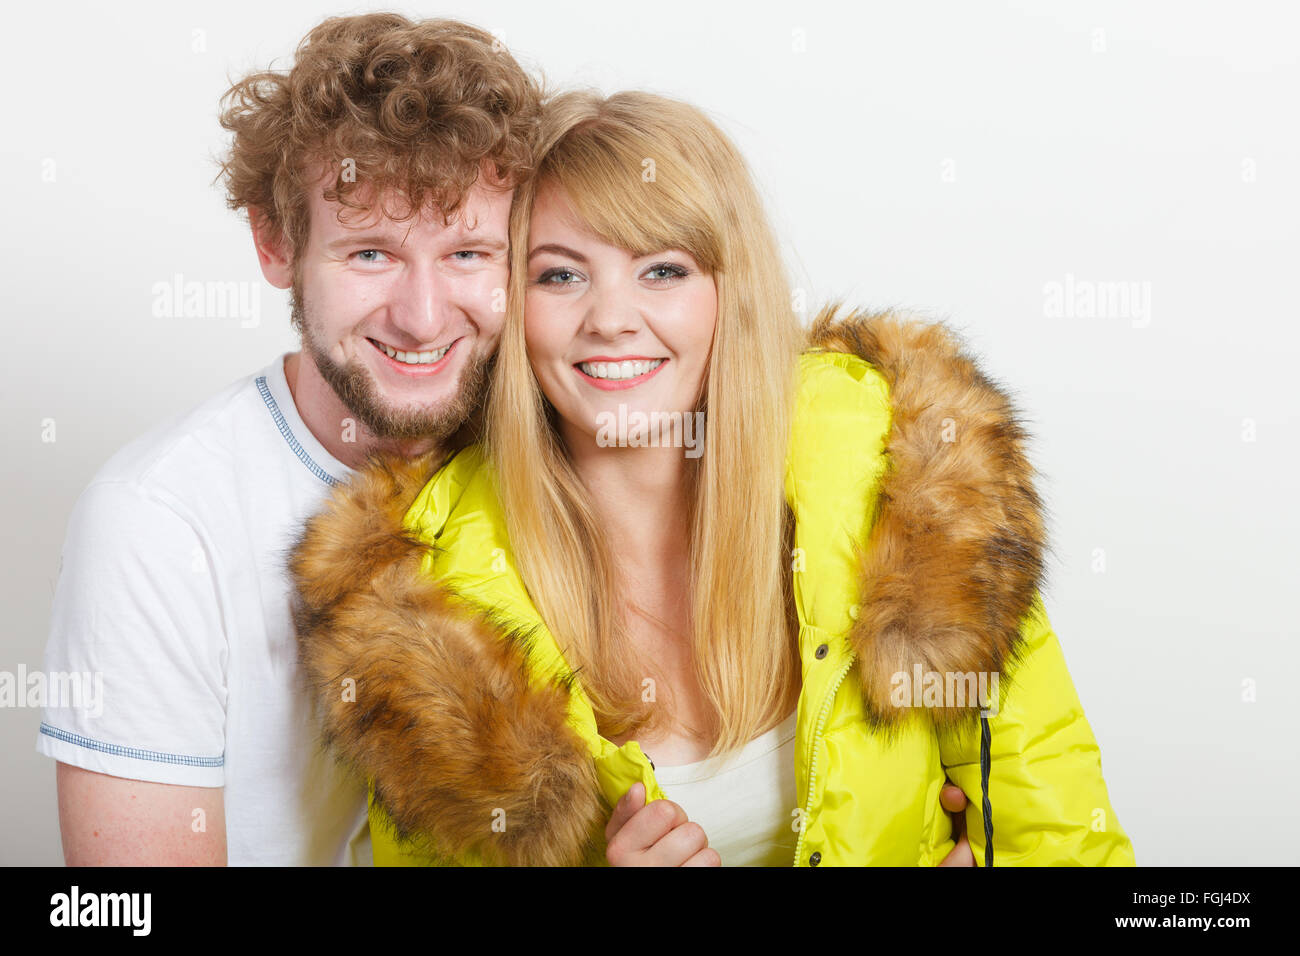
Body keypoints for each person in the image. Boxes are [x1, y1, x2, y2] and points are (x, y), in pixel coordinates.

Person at [290, 90, 1137, 866]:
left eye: (664, 268)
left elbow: (1061, 836)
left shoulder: (899, 472)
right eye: (560, 274)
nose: (612, 318)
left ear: (731, 293)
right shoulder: (427, 601)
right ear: (513, 302)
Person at [35, 13, 541, 865]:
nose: (422, 317)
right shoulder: (158, 524)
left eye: (467, 254)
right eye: (371, 253)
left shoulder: (556, 459)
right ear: (277, 244)